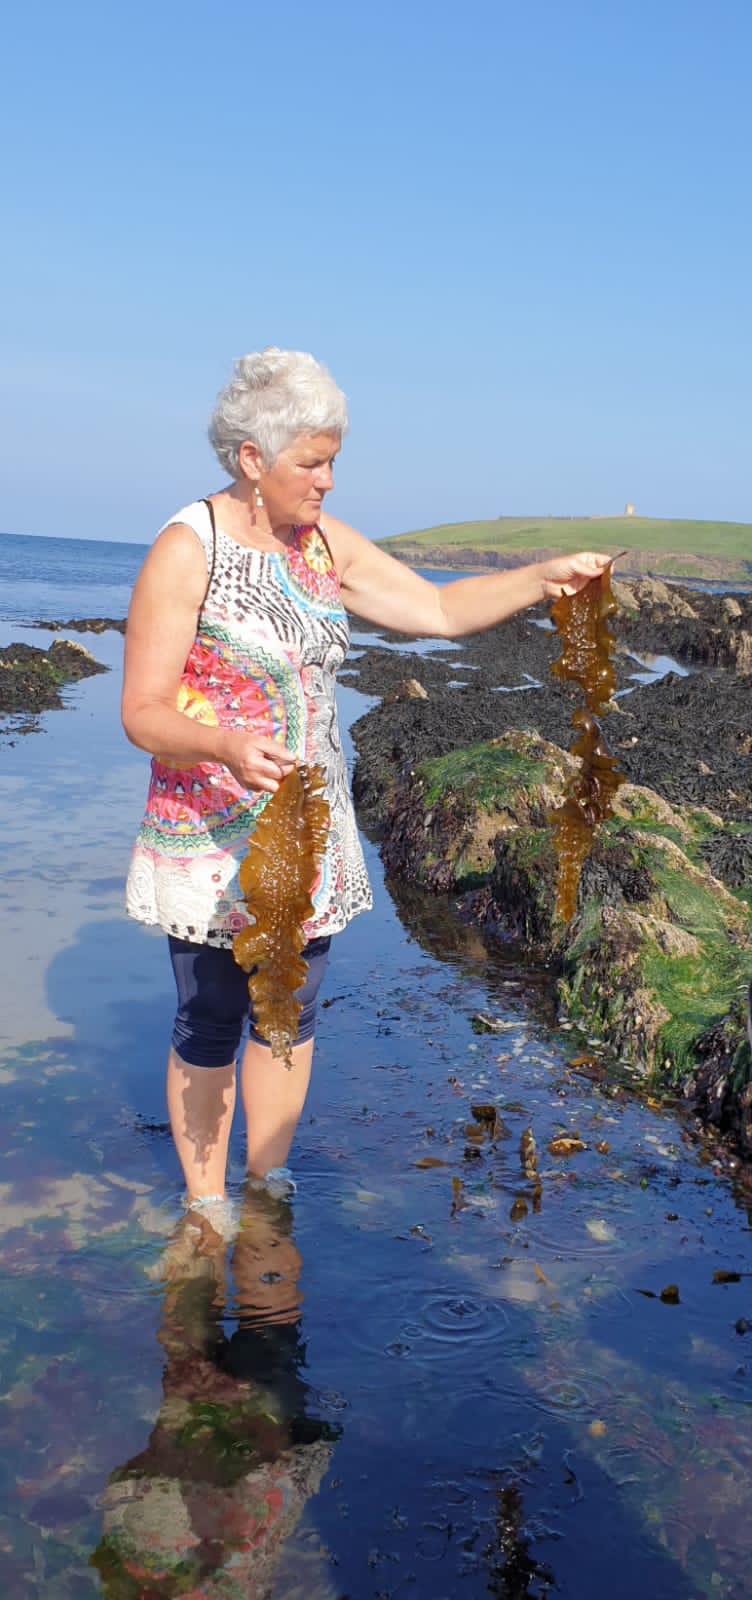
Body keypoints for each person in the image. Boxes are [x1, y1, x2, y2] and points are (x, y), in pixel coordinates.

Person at [122, 347, 611, 1213]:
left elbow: (436, 609)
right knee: (209, 1020)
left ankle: (267, 1188)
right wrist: (225, 744)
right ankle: (205, 1211)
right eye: (312, 462)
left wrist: (542, 578)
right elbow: (143, 711)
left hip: (309, 830)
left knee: (293, 1017)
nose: (329, 481)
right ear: (251, 460)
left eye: (333, 459)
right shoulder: (183, 549)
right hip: (212, 836)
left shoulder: (324, 546)